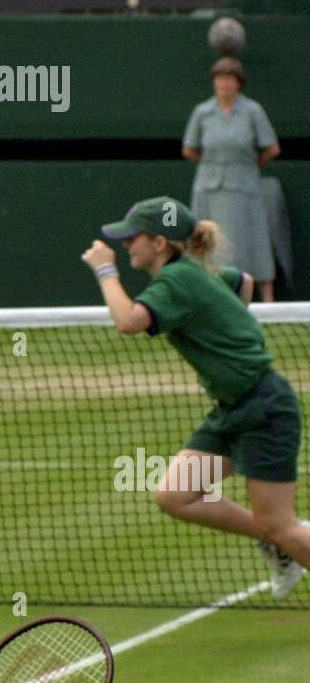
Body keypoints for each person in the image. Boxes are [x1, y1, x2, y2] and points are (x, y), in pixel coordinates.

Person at [83, 196, 309, 600]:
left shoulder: (179, 280)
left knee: (279, 523)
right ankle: (280, 540)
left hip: (264, 408)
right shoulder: (193, 273)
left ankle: (286, 536)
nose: (126, 244)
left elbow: (129, 322)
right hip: (232, 408)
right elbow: (242, 282)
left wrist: (104, 270)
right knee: (175, 496)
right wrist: (221, 333)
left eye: (133, 237)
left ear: (159, 243)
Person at [182, 57, 282, 303]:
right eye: (220, 79)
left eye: (229, 79)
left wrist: (248, 169)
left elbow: (271, 149)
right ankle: (207, 297)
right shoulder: (202, 112)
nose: (224, 84)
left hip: (246, 187)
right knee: (206, 243)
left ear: (239, 84)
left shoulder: (253, 111)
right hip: (208, 187)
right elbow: (189, 149)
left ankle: (267, 300)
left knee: (255, 241)